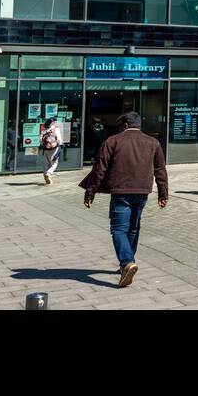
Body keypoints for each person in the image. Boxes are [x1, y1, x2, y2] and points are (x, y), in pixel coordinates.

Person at [79, 111, 169, 288]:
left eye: (120, 126)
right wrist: (163, 194)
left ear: (126, 125)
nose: (119, 129)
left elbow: (99, 170)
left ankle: (127, 262)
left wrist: (90, 192)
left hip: (121, 192)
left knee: (118, 229)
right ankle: (127, 263)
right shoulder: (153, 142)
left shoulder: (112, 141)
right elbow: (161, 170)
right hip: (142, 192)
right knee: (134, 227)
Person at [40, 116, 63, 184]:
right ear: (53, 122)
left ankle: (45, 174)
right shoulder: (55, 129)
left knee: (46, 163)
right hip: (54, 148)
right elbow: (59, 139)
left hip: (45, 149)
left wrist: (46, 144)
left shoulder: (44, 130)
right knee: (54, 163)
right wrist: (59, 144)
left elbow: (41, 140)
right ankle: (48, 174)